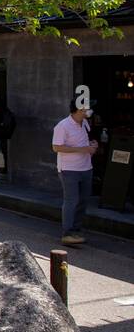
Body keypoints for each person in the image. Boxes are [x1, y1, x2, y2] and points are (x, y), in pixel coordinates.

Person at [53, 95, 99, 245]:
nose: (90, 110)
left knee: (83, 200)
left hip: (86, 167)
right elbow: (56, 147)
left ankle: (76, 230)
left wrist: (92, 145)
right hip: (68, 169)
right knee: (71, 200)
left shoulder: (85, 123)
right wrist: (83, 149)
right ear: (80, 109)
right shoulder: (63, 126)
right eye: (88, 107)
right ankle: (67, 233)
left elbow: (85, 142)